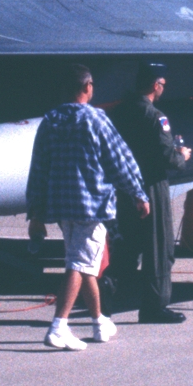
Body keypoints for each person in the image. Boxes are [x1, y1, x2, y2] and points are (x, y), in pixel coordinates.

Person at [26, 64, 149, 351]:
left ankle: (99, 321)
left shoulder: (51, 120)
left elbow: (38, 170)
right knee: (79, 265)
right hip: (91, 207)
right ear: (88, 87)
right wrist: (139, 194)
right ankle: (58, 326)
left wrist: (35, 212)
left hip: (62, 208)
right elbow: (120, 161)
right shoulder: (97, 120)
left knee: (87, 265)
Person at [107, 63, 192, 324]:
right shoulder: (155, 116)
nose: (163, 89)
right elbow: (167, 157)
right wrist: (182, 156)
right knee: (158, 248)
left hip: (124, 187)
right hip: (152, 187)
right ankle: (154, 307)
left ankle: (102, 301)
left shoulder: (118, 112)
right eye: (162, 85)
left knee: (125, 247)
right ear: (156, 85)